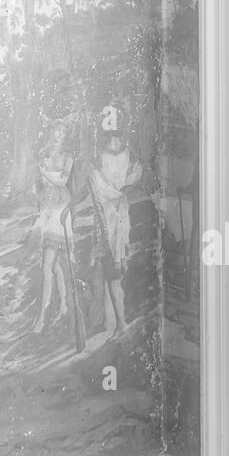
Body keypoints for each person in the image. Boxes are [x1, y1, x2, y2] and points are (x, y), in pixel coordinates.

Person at [89, 130, 141, 338]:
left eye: (118, 139)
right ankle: (110, 322)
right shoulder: (96, 172)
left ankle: (120, 322)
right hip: (103, 225)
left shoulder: (126, 160)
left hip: (118, 224)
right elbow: (94, 188)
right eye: (111, 139)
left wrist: (122, 190)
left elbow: (136, 173)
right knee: (104, 274)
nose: (115, 142)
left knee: (114, 275)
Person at [33, 120, 74, 333]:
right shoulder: (43, 153)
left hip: (60, 210)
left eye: (62, 131)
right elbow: (40, 184)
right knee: (55, 265)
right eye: (56, 130)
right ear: (50, 132)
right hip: (46, 209)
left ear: (65, 134)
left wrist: (47, 175)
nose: (58, 134)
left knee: (47, 265)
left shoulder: (67, 157)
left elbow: (62, 182)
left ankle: (42, 316)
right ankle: (64, 306)